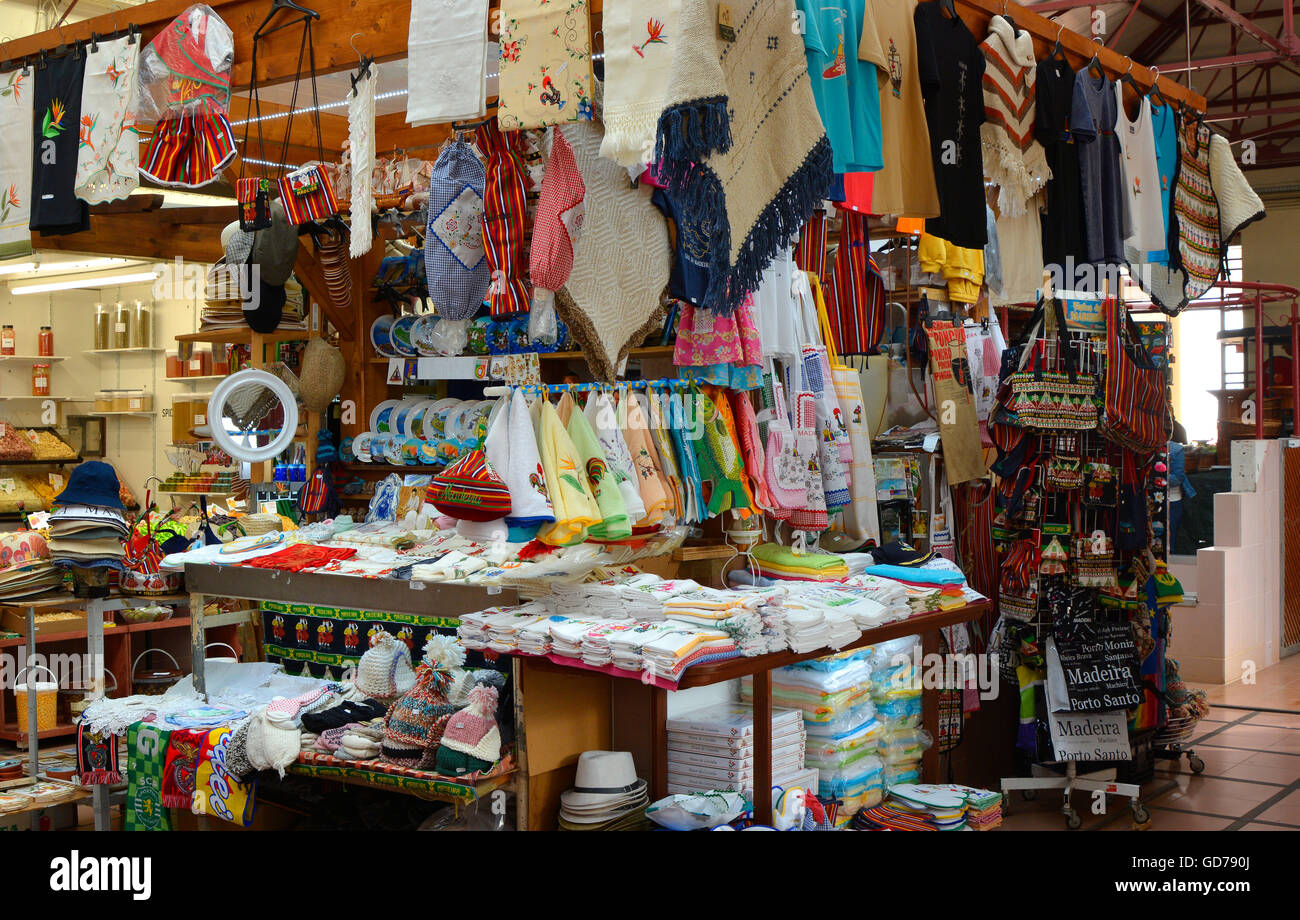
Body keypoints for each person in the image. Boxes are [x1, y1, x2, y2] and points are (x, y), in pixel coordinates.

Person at [1167, 420, 1197, 553]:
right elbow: (1178, 476)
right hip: (1169, 499)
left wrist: (1155, 479)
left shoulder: (1175, 449)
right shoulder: (1176, 449)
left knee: (1170, 538)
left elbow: (1178, 477)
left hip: (1171, 500)